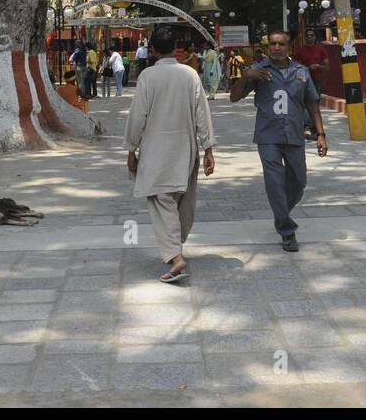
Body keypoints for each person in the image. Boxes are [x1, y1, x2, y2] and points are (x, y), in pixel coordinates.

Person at [124, 26, 216, 283]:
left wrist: (131, 148)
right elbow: (202, 113)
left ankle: (175, 257)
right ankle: (177, 244)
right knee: (183, 200)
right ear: (175, 47)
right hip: (186, 149)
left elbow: (137, 116)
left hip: (155, 150)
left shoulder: (147, 77)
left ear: (151, 50)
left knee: (162, 200)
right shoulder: (190, 74)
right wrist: (208, 148)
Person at [230, 29, 328, 251]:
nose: (276, 48)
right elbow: (234, 98)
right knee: (275, 183)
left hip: (294, 134)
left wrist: (321, 134)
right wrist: (246, 76)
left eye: (280, 44)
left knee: (299, 181)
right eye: (272, 44)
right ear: (268, 47)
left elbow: (313, 103)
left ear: (288, 47)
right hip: (268, 135)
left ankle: (280, 213)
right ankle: (287, 231)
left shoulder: (301, 71)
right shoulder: (259, 72)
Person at [294, 28, 330, 138]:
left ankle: (314, 130)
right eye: (308, 35)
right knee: (305, 104)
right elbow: (293, 64)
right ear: (305, 37)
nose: (309, 37)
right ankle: (305, 127)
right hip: (304, 80)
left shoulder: (320, 50)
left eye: (311, 35)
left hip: (317, 81)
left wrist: (318, 66)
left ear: (314, 37)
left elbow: (327, 67)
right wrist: (302, 69)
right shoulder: (301, 50)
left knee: (315, 105)